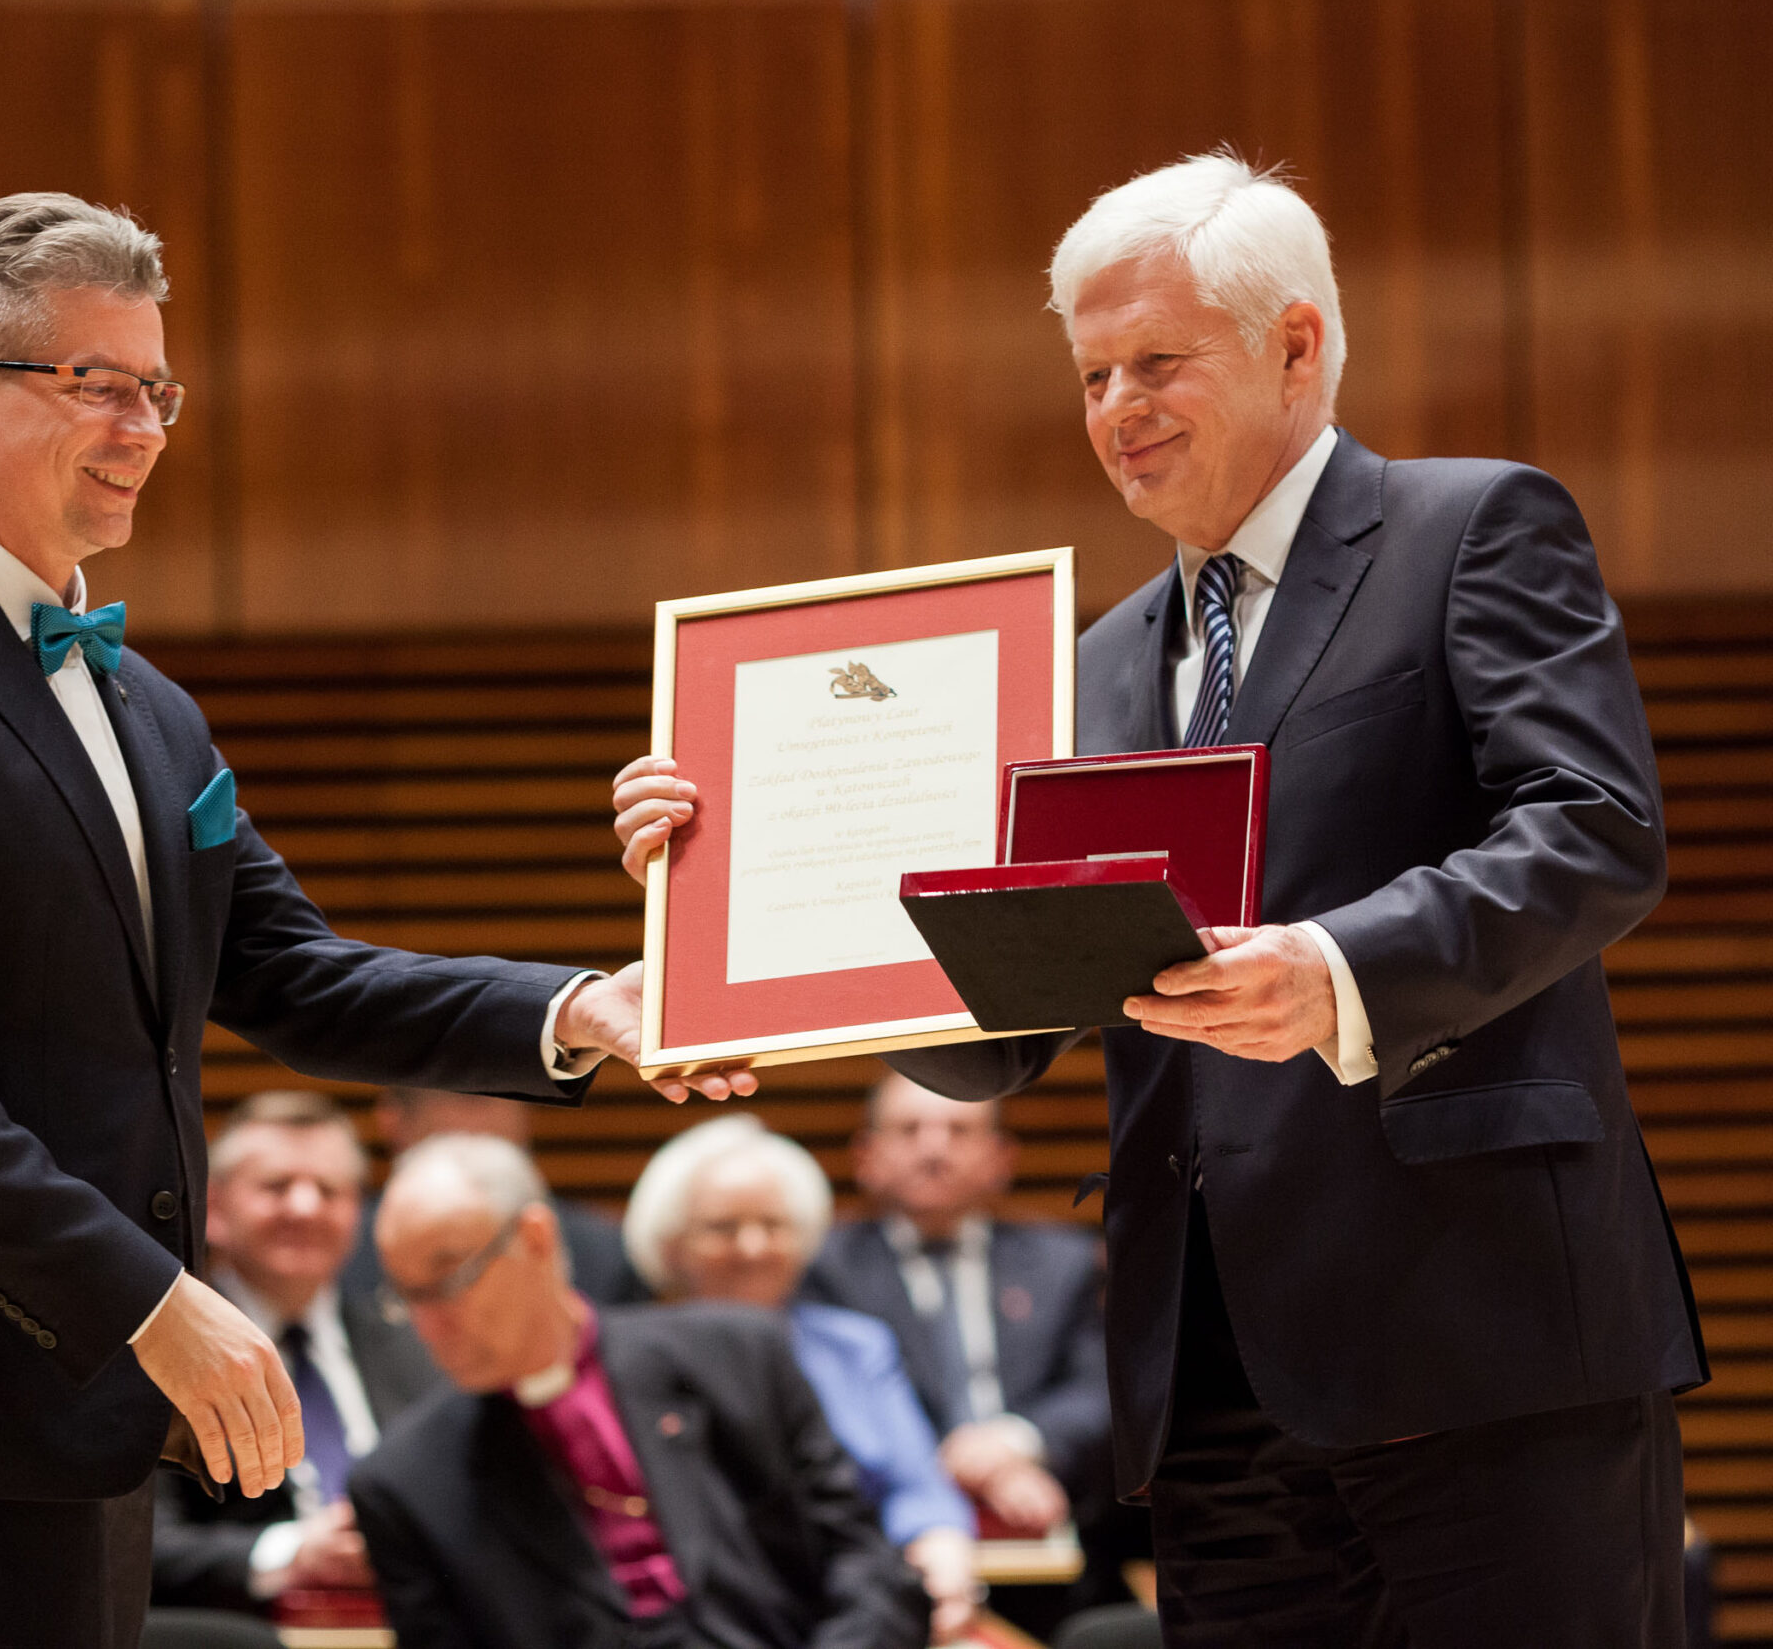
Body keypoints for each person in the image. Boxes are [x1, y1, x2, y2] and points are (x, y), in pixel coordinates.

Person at [615, 152, 1702, 1644]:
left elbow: (1595, 829)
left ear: (1296, 345)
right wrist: (741, 891)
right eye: (1090, 374)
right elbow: (999, 1027)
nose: (1116, 407)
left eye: (1157, 362)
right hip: (1207, 1383)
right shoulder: (1088, 665)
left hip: (1481, 1340)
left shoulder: (1470, 529)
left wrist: (1335, 967)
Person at [0, 192, 740, 1649]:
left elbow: (293, 973)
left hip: (96, 1399)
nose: (144, 425)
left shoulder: (151, 707)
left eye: (158, 388)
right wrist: (148, 1299)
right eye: (99, 384)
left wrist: (582, 1011)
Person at [349, 1134, 929, 1649]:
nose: (430, 1325)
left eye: (449, 1280)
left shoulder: (738, 1353)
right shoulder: (403, 1481)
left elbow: (866, 1563)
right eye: (408, 1296)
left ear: (534, 1238)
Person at [620, 1115, 980, 1642]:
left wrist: (942, 1550)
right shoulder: (629, 1357)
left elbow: (916, 1486)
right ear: (671, 1247)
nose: (752, 1247)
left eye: (774, 1225)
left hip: (860, 1611)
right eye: (722, 1227)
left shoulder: (855, 1347)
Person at [806, 1079, 1125, 1636]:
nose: (935, 1148)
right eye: (909, 1130)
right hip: (889, 1549)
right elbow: (829, 1406)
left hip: (1056, 1537)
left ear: (1002, 1157)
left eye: (959, 1130)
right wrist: (969, 1471)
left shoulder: (1064, 1263)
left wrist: (1013, 1444)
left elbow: (1102, 1384)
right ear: (867, 1156)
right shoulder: (824, 1270)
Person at [152, 1093, 442, 1618]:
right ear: (213, 1209)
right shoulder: (163, 1350)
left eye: (329, 1190)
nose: (304, 1207)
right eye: (276, 1186)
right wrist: (292, 1554)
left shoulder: (419, 1348)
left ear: (358, 1211)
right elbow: (141, 1546)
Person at [337, 1085, 646, 1317]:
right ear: (393, 1119)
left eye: (492, 1093)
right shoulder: (339, 1250)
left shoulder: (608, 1255)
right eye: (466, 1095)